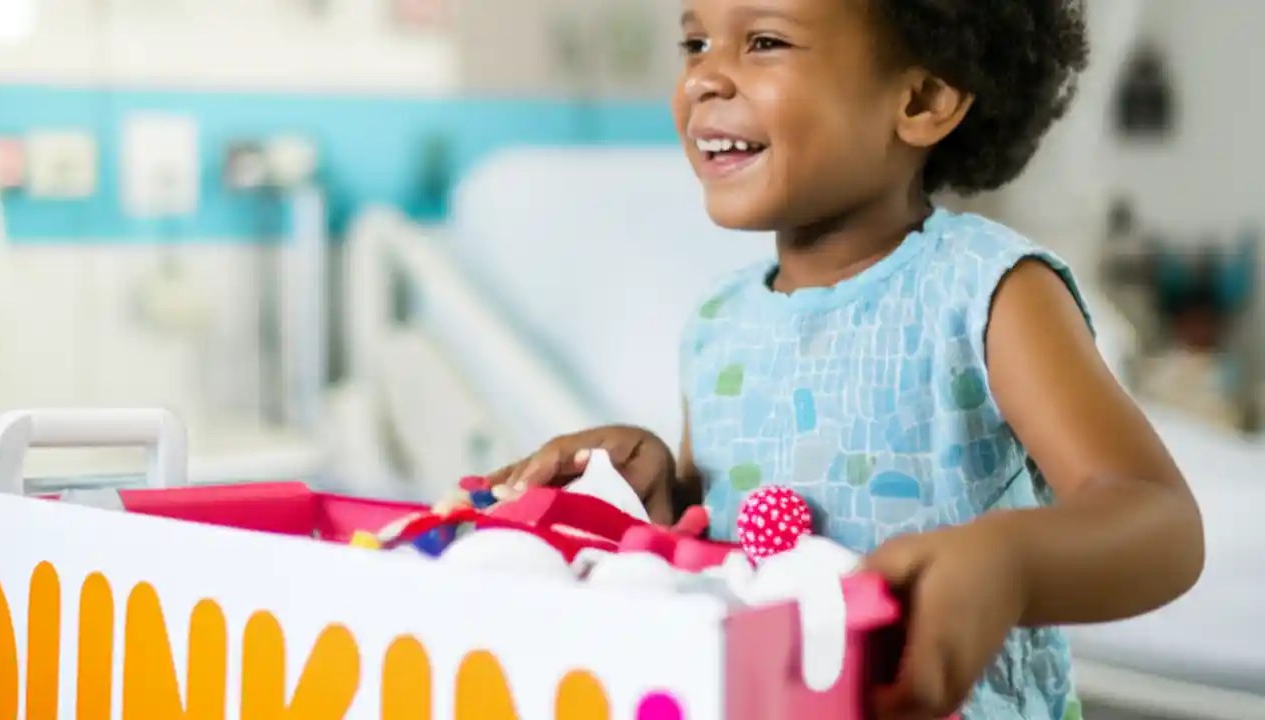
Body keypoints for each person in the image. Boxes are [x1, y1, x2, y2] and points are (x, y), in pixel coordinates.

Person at [486, 0, 1205, 717]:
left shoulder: (987, 292)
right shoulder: (718, 323)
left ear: (922, 100)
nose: (705, 77)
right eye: (695, 42)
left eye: (764, 41)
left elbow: (1160, 523)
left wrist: (1011, 561)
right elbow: (728, 546)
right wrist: (654, 495)